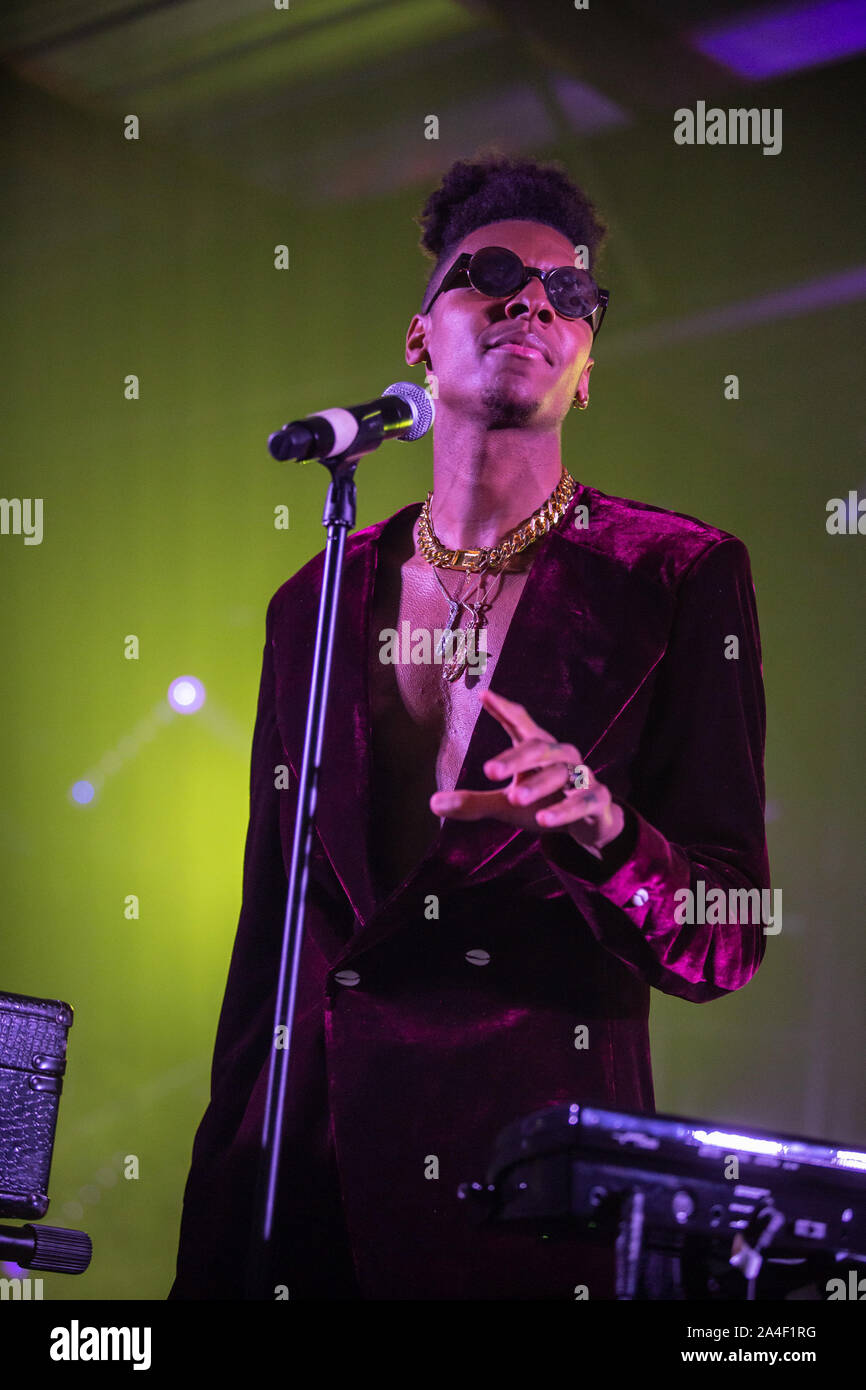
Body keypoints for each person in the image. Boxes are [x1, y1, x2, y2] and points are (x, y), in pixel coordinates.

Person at [169, 154, 770, 1301]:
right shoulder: (315, 598)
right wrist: (219, 1211)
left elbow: (726, 933)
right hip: (297, 1198)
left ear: (585, 367)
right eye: (489, 275)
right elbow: (270, 938)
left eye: (570, 294)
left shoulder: (675, 577)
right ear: (418, 337)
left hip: (520, 1215)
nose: (531, 301)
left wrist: (604, 832)